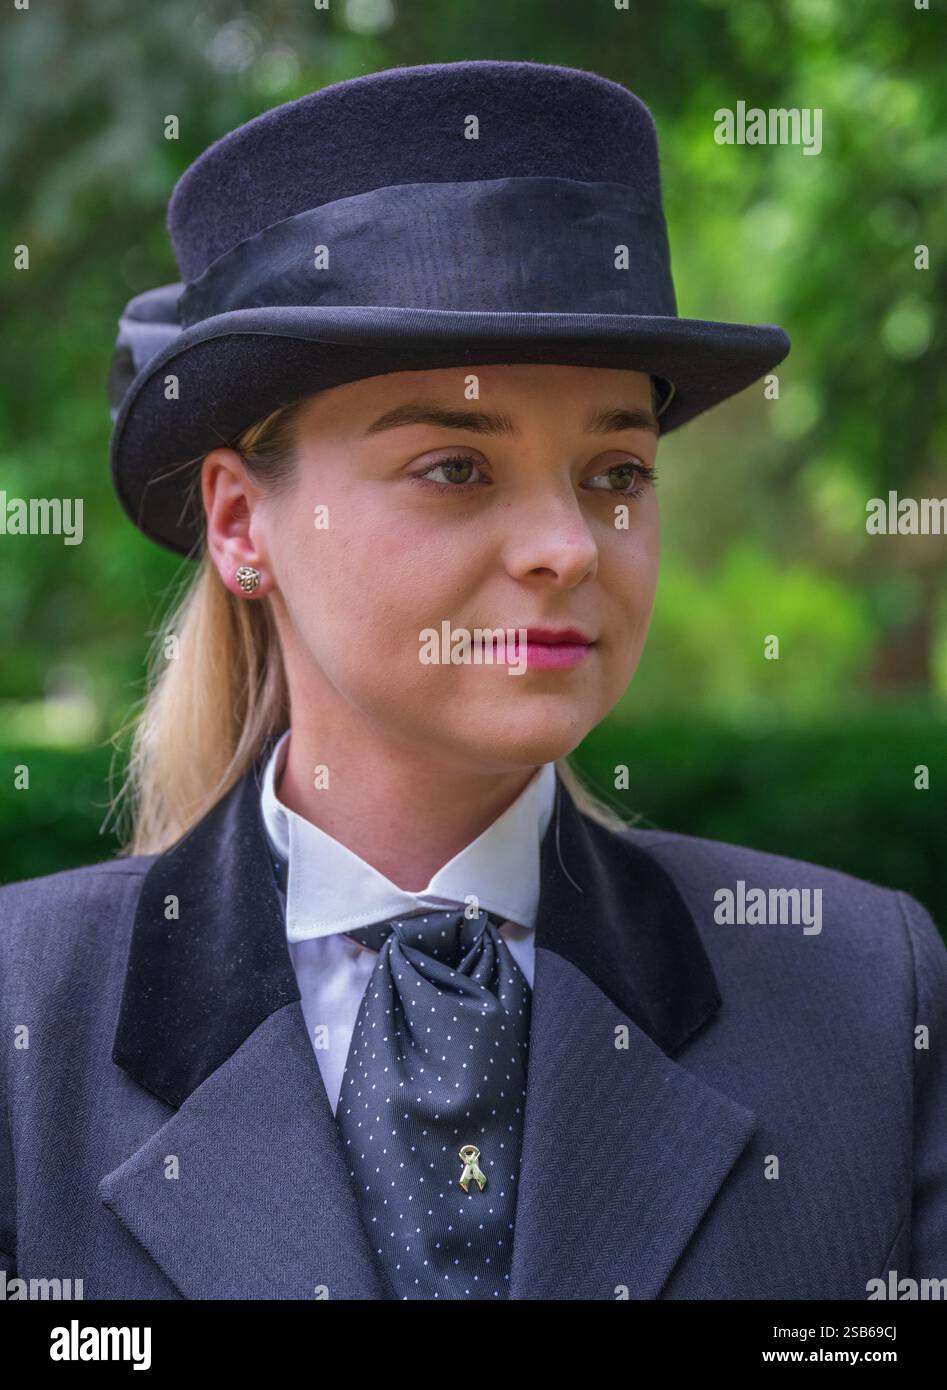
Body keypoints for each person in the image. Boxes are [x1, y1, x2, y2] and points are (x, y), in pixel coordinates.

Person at [1, 59, 944, 1303]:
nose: (565, 543)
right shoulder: (25, 1022)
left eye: (614, 471)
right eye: (454, 466)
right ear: (240, 522)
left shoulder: (861, 992)